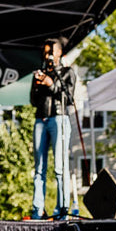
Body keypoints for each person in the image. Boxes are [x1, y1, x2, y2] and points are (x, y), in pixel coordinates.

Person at [29, 37, 76, 220]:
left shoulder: (67, 72)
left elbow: (68, 96)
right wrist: (38, 84)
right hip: (41, 119)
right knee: (39, 168)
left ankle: (61, 210)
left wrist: (51, 83)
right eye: (45, 51)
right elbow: (33, 101)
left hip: (59, 118)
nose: (47, 54)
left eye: (51, 51)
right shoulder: (40, 73)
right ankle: (37, 210)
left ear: (59, 53)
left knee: (60, 167)